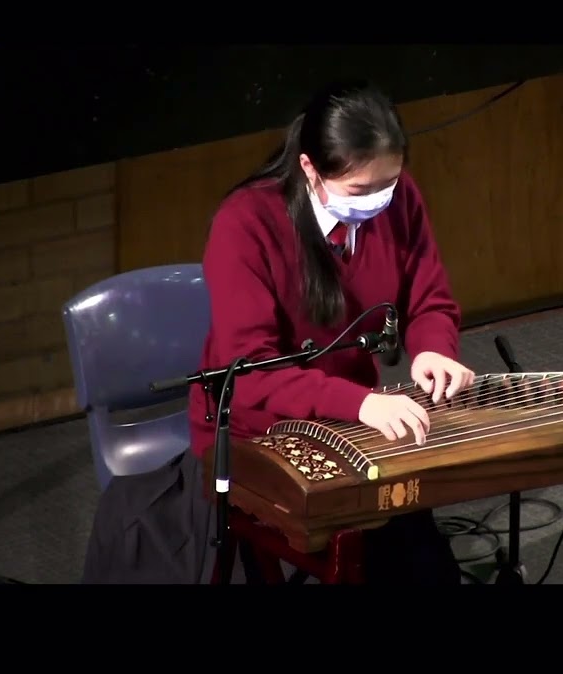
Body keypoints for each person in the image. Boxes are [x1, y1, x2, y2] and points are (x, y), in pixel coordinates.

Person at [187, 80, 475, 584]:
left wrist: (433, 350)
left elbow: (429, 298)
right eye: (360, 191)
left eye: (388, 184)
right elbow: (248, 370)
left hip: (347, 415)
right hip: (257, 427)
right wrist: (361, 404)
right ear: (309, 169)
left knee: (411, 538)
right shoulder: (246, 223)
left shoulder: (398, 197)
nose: (379, 201)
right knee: (385, 532)